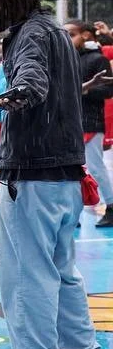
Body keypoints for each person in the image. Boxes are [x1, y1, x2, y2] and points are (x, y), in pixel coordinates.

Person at [0, 0, 105, 349]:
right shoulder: (53, 32)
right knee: (62, 270)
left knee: (27, 271)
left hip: (31, 172)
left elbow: (32, 80)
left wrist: (17, 95)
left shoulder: (29, 35)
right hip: (64, 174)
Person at [64, 21, 113, 226]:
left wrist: (84, 90)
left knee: (95, 167)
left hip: (91, 122)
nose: (67, 39)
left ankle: (111, 206)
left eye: (71, 34)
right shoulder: (68, 59)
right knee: (72, 170)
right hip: (71, 122)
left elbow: (109, 90)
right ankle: (73, 213)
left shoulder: (98, 59)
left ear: (85, 35)